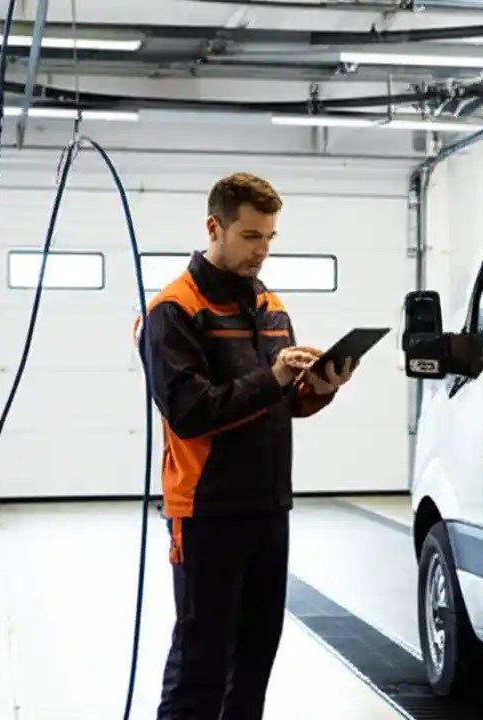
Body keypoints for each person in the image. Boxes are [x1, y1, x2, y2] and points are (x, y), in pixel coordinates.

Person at [136, 172, 355, 719]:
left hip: (267, 507)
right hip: (206, 512)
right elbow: (190, 413)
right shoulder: (175, 312)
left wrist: (318, 389)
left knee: (254, 661)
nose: (263, 250)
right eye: (252, 236)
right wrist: (274, 376)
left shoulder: (269, 305)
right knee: (201, 666)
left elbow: (279, 402)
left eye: (270, 237)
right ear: (216, 227)